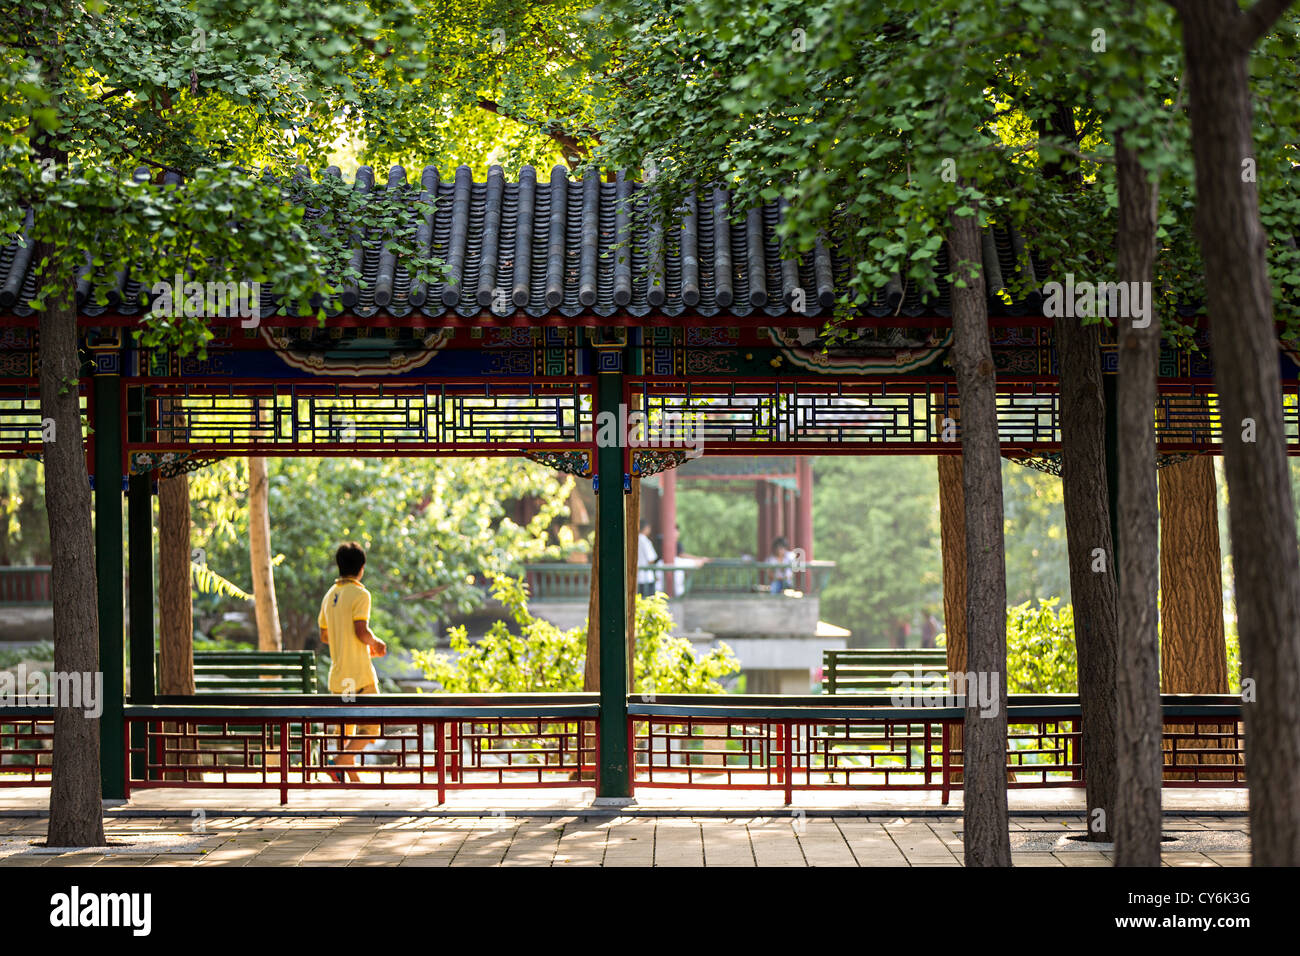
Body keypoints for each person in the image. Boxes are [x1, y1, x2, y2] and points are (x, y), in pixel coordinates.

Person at [318, 542, 386, 783]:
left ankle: (349, 775)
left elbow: (325, 635)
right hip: (359, 675)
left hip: (340, 676)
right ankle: (339, 762)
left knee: (345, 729)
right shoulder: (361, 594)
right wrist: (376, 644)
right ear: (361, 568)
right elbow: (361, 630)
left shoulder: (329, 595)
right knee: (372, 724)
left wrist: (346, 643)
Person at [637, 521, 659, 598]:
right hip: (646, 577)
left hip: (637, 577)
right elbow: (651, 559)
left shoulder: (634, 539)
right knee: (649, 600)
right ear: (646, 528)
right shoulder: (645, 541)